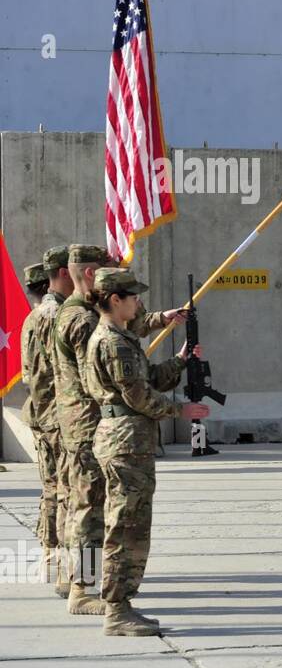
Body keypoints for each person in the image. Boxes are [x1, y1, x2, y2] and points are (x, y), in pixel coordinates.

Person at [53, 245, 187, 615]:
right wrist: (174, 406)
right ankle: (83, 587)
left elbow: (132, 326)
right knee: (94, 510)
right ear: (93, 273)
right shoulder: (81, 321)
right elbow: (112, 375)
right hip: (92, 422)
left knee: (101, 508)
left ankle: (83, 582)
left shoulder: (86, 313)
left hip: (99, 422)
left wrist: (164, 321)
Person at [81, 268, 208, 635]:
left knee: (131, 523)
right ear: (114, 300)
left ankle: (122, 605)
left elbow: (147, 379)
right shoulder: (114, 342)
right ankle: (117, 610)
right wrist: (178, 411)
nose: (139, 302)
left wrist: (181, 361)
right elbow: (137, 396)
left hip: (127, 441)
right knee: (126, 526)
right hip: (124, 442)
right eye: (133, 296)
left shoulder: (121, 337)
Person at [19, 247, 71, 580]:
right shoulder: (52, 316)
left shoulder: (32, 317)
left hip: (41, 410)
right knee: (59, 488)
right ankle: (54, 557)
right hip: (54, 413)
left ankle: (50, 556)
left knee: (51, 486)